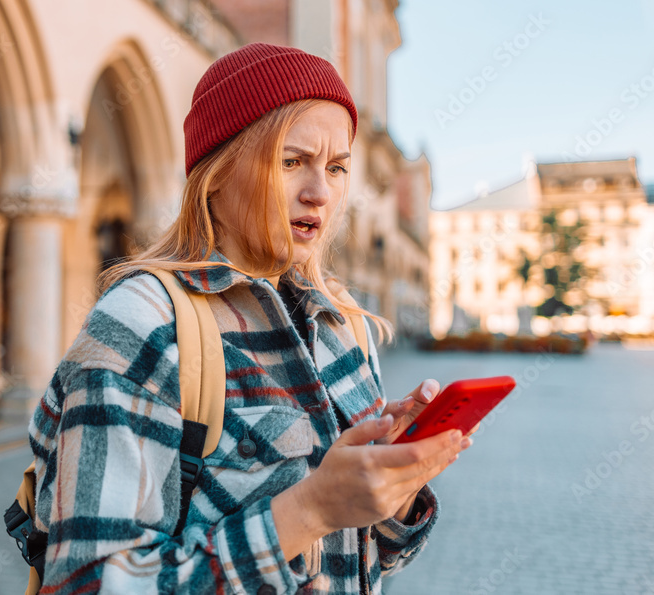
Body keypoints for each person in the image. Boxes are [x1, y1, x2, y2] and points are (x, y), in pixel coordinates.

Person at [28, 42, 472, 594]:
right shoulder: (144, 321)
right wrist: (307, 510)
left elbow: (365, 559)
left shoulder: (342, 324)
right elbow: (85, 583)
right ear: (216, 171)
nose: (320, 193)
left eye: (336, 168)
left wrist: (391, 490)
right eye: (292, 162)